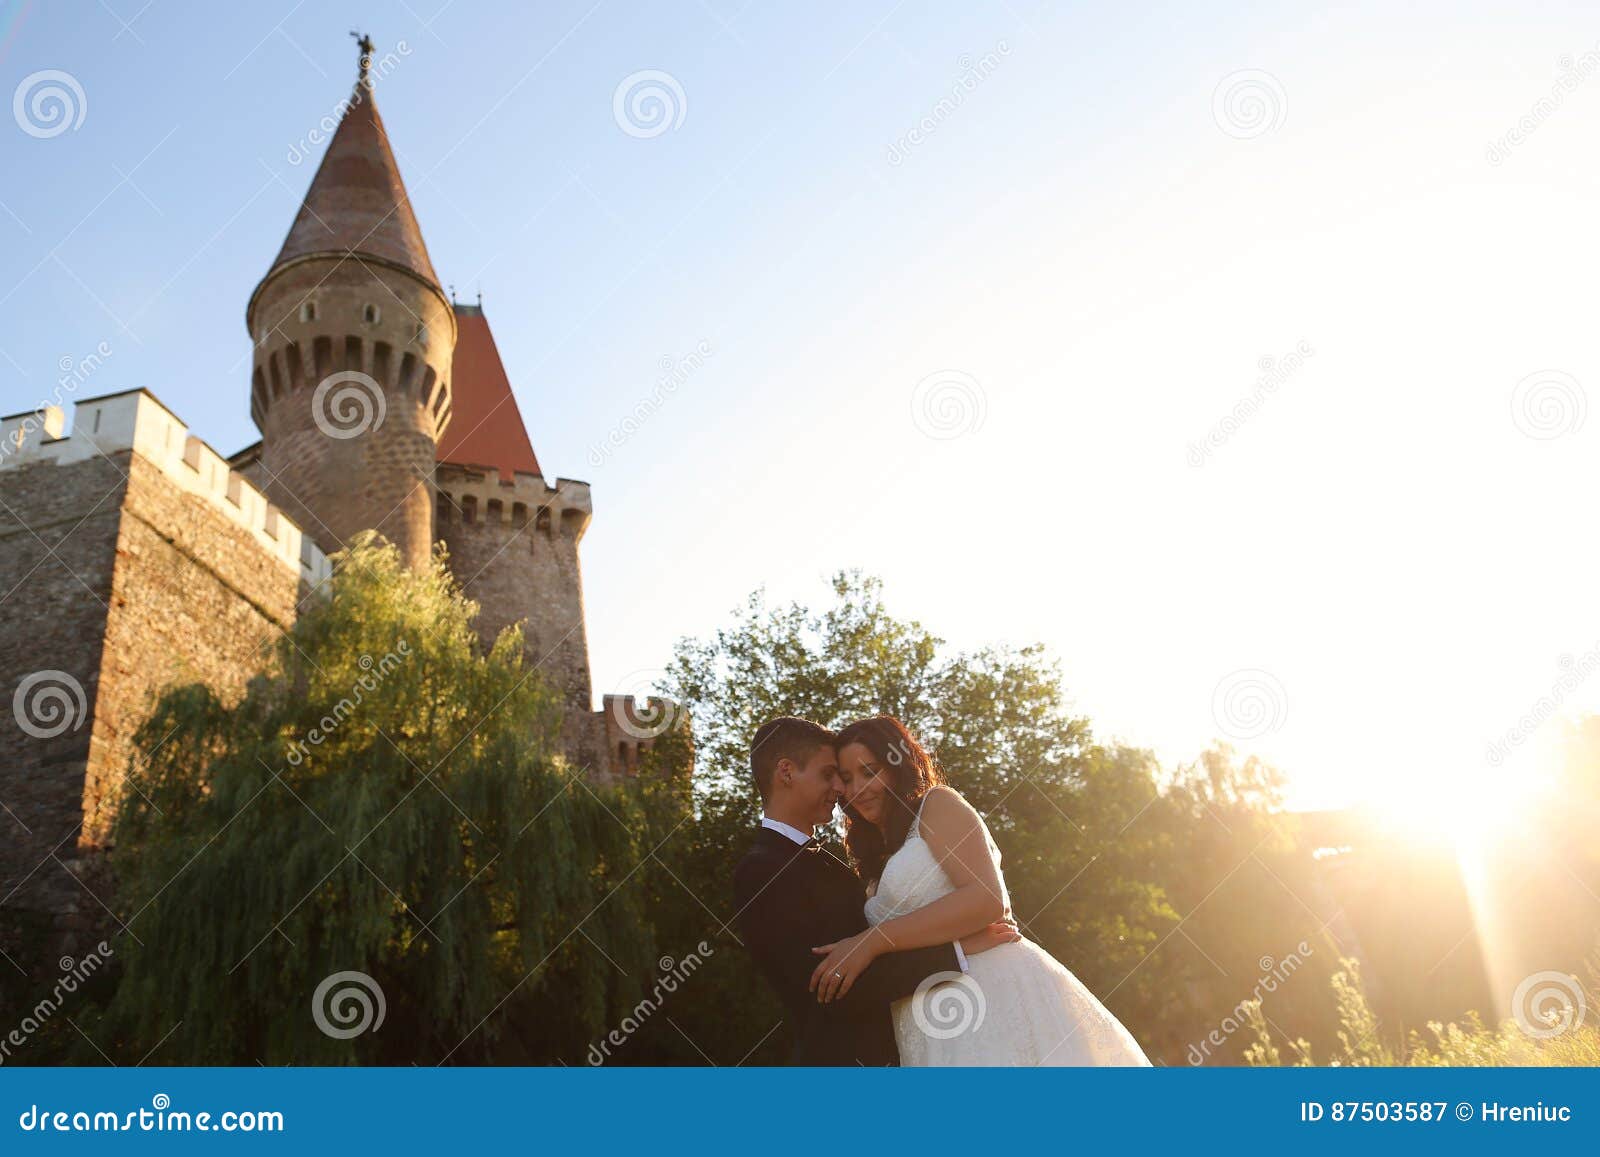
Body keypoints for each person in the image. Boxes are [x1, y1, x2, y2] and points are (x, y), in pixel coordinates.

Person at [809, 715, 1151, 1066]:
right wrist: (959, 944)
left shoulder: (937, 805)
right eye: (847, 779)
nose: (857, 790)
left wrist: (874, 940)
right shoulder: (872, 859)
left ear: (898, 767)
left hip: (990, 989)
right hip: (924, 1017)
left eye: (870, 772)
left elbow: (986, 899)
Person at [731, 716, 1020, 1064]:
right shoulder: (761, 870)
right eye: (831, 775)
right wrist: (957, 951)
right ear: (787, 772)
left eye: (862, 773)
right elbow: (825, 987)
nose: (842, 789)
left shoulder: (833, 860)